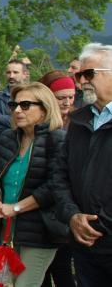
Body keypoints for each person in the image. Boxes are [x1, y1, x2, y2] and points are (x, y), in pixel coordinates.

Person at [0, 82, 68, 287]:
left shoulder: (58, 140)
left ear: (45, 108)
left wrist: (16, 208)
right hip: (7, 229)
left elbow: (53, 188)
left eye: (26, 105)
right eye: (14, 105)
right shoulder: (7, 138)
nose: (18, 110)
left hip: (40, 231)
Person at [53, 43, 112, 285]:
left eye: (89, 74)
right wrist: (73, 216)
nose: (82, 81)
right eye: (79, 75)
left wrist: (100, 225)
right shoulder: (79, 121)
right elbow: (59, 174)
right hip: (83, 245)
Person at [38, 71, 76, 286]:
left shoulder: (77, 122)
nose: (67, 102)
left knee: (62, 266)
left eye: (71, 97)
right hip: (38, 206)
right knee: (40, 268)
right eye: (61, 97)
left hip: (63, 205)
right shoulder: (38, 123)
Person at [0, 59, 32, 141]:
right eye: (8, 72)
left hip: (25, 147)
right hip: (1, 148)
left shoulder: (32, 97)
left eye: (15, 72)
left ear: (25, 75)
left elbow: (30, 122)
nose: (11, 76)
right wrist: (15, 130)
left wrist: (0, 118)